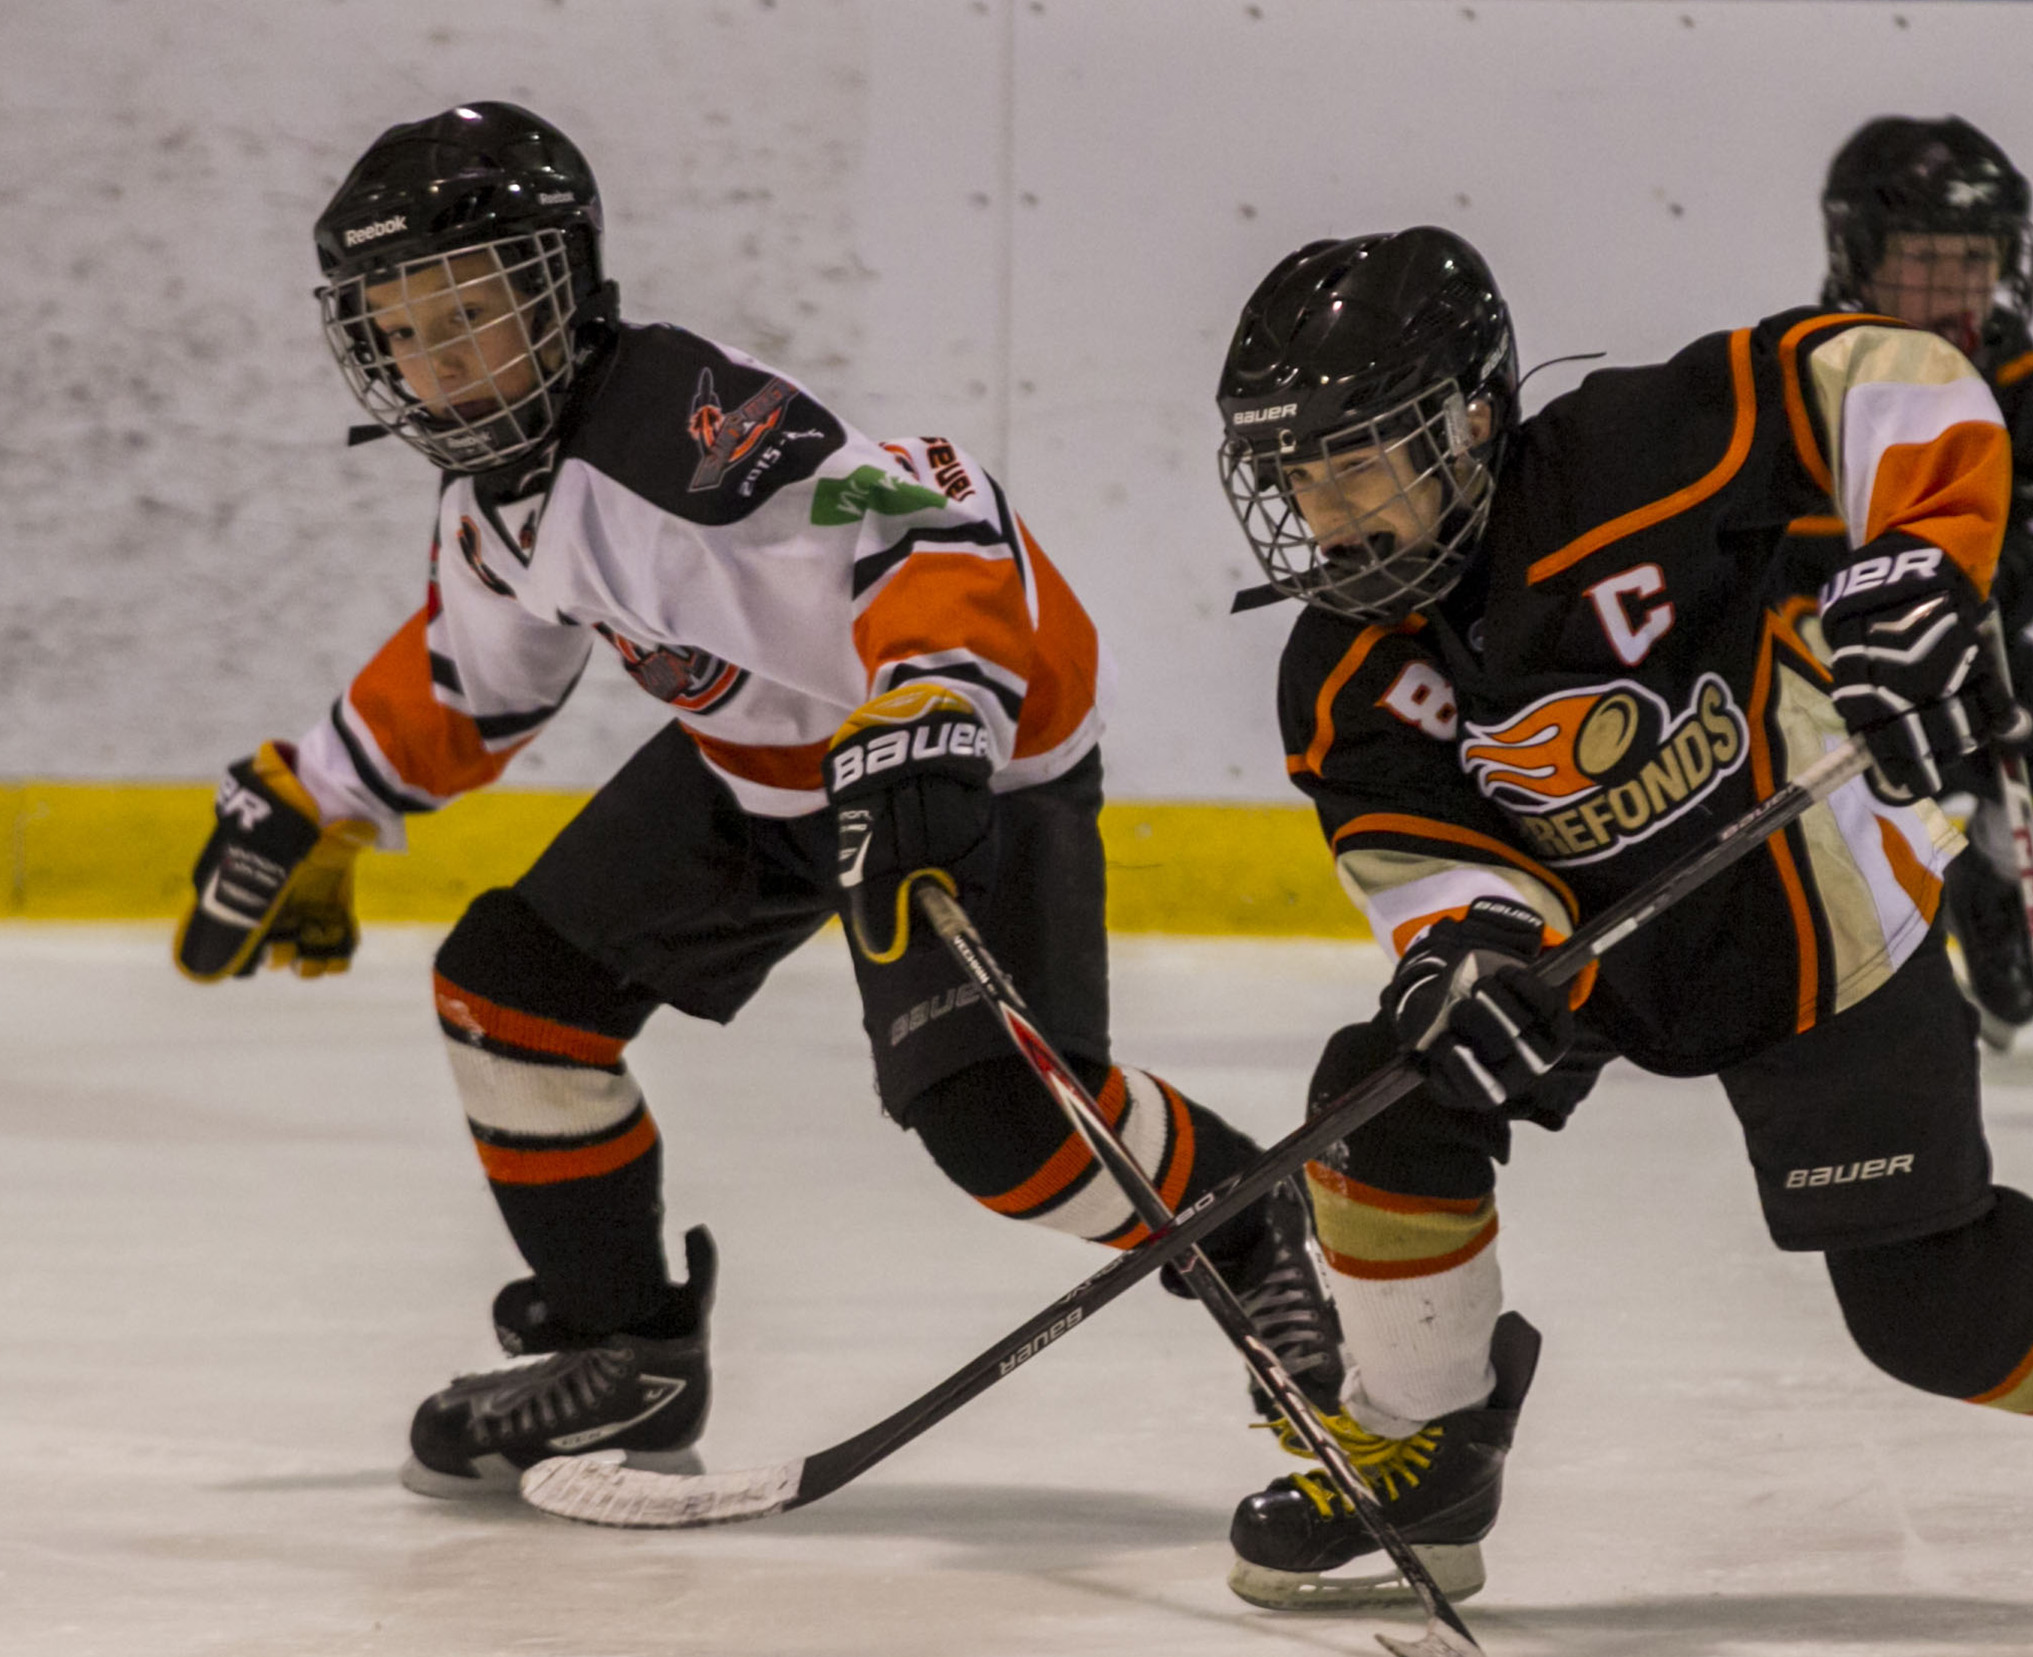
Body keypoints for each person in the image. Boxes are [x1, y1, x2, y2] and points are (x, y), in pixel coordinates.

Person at [175, 101, 1340, 1495]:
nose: (436, 362)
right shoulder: (499, 495)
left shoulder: (675, 433)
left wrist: (936, 697)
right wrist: (312, 796)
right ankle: (632, 1358)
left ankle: (1252, 1231)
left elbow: (932, 513)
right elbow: (475, 681)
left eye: (470, 312)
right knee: (513, 993)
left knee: (1006, 1127)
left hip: (959, 751)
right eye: (402, 329)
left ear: (562, 290)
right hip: (762, 764)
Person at [1209, 226, 2033, 1610]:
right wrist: (1471, 954)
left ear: (1467, 422)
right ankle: (1424, 1451)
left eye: (1352, 460)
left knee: (1926, 1312)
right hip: (1594, 951)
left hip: (1809, 920)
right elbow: (1426, 857)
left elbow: (1896, 373)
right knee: (1383, 1094)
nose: (1322, 511)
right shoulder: (1341, 668)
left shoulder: (1636, 451)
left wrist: (1923, 562)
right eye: (1292, 471)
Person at [1808, 116, 2033, 1042]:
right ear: (1860, 255)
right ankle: (1917, 906)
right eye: (1926, 255)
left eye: (1975, 256)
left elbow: (2018, 508)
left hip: (1959, 661)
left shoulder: (2003, 358)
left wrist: (2024, 568)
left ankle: (1996, 888)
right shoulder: (1808, 370)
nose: (1957, 284)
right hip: (1827, 696)